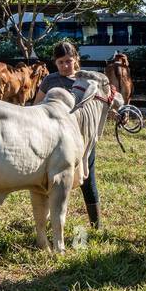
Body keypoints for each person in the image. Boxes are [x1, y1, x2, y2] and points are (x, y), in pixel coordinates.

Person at [34, 41, 102, 230]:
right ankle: (48, 222)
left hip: (83, 139)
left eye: (69, 61)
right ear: (55, 63)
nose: (65, 66)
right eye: (61, 62)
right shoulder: (49, 81)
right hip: (53, 141)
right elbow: (36, 105)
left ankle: (96, 225)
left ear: (76, 59)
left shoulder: (87, 81)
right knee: (51, 180)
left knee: (88, 181)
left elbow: (98, 108)